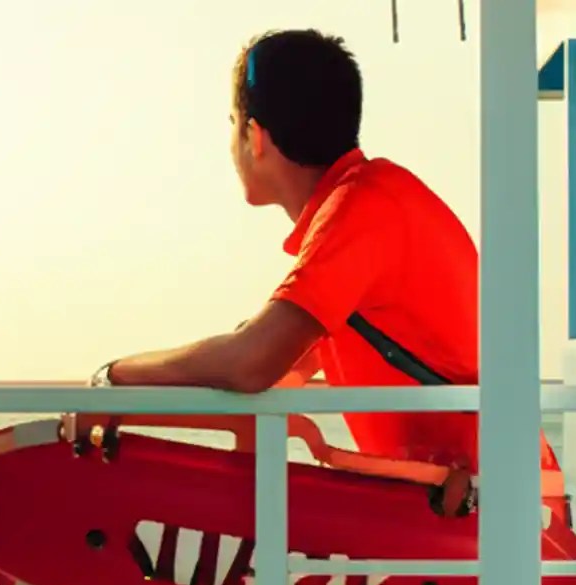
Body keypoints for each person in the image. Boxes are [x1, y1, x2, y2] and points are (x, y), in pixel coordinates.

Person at [88, 28, 514, 474]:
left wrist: (115, 377)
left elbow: (250, 362)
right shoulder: (373, 200)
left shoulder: (362, 210)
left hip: (489, 517)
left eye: (233, 124)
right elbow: (274, 363)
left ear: (256, 137)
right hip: (477, 499)